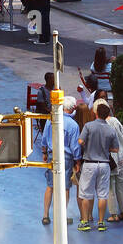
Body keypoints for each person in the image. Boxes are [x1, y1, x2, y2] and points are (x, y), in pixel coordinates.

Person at [77, 102, 118, 232]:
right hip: (104, 165)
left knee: (85, 193)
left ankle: (85, 222)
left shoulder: (89, 126)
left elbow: (80, 141)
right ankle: (101, 222)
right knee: (102, 195)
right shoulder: (111, 130)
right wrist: (105, 148)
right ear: (107, 116)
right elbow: (116, 149)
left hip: (89, 163)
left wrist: (89, 145)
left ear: (96, 113)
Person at [41, 95, 81, 226]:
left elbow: (44, 138)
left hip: (53, 155)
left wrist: (45, 152)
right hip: (67, 158)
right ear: (72, 108)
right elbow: (75, 147)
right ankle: (63, 215)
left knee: (50, 186)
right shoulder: (73, 125)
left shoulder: (51, 120)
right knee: (65, 187)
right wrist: (77, 162)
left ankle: (46, 215)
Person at [106, 105, 123, 223]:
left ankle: (114, 214)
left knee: (111, 187)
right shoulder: (116, 121)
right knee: (122, 185)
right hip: (122, 157)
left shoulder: (101, 124)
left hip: (110, 159)